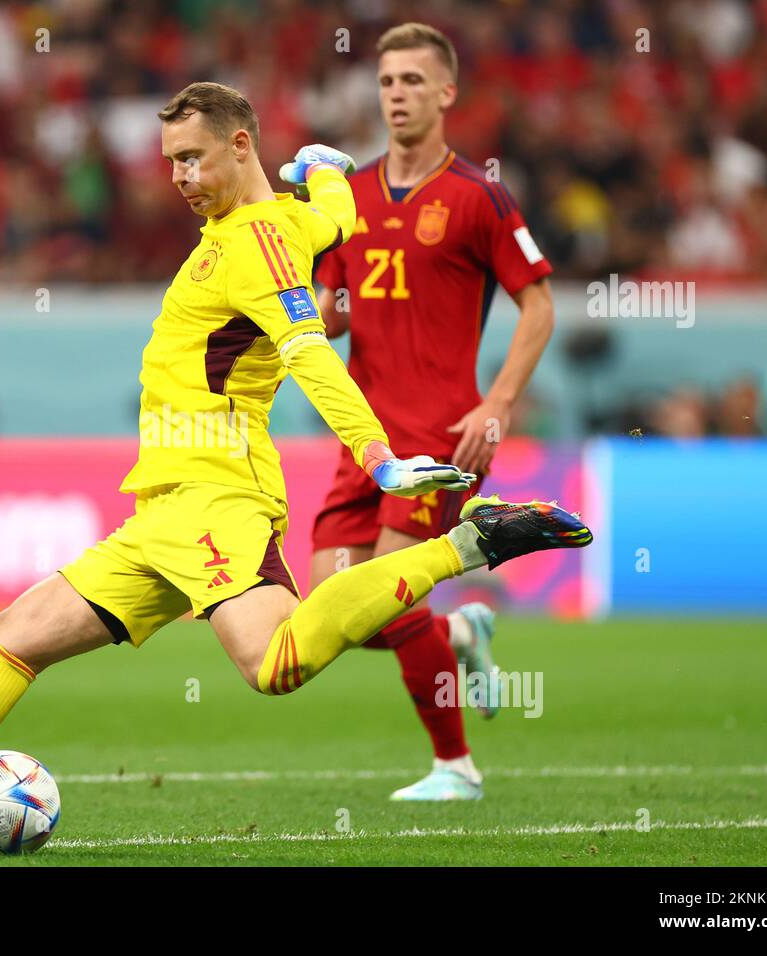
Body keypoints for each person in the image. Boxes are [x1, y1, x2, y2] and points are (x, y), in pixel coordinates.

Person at [0, 82, 590, 848]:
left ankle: (473, 545)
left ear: (239, 146)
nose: (181, 177)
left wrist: (379, 460)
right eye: (170, 164)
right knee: (14, 639)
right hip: (161, 510)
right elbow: (333, 216)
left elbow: (310, 353)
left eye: (193, 158)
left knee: (275, 667)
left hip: (214, 496)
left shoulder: (256, 244)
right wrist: (329, 173)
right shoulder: (288, 220)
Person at [310, 23, 556, 802]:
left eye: (413, 81)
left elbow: (538, 303)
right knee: (335, 611)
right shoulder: (345, 197)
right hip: (363, 436)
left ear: (447, 93)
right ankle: (458, 631)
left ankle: (457, 767)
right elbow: (334, 309)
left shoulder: (477, 195)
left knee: (379, 591)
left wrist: (499, 402)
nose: (397, 95)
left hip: (438, 433)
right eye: (387, 82)